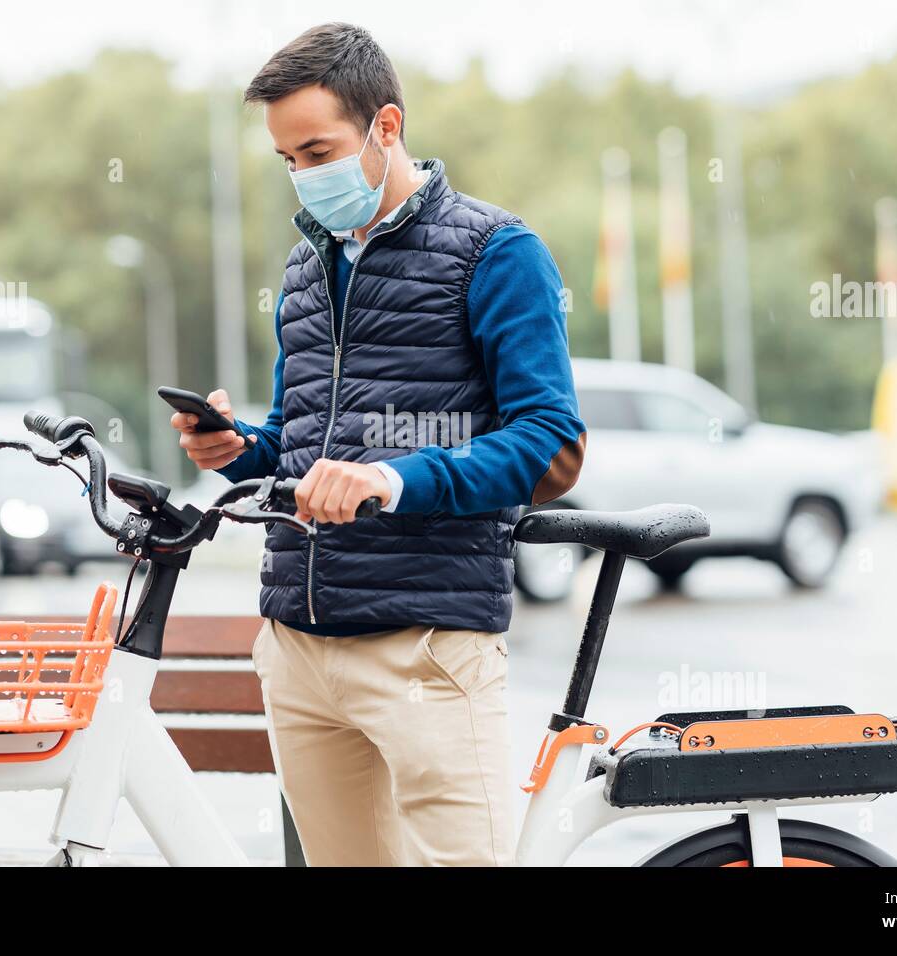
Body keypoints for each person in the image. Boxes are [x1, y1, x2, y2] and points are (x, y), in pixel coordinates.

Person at [170, 22, 586, 866]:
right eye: (286, 159)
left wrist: (393, 481)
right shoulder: (303, 268)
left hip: (425, 648)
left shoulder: (497, 252)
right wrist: (236, 447)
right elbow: (297, 443)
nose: (302, 175)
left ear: (385, 128)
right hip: (299, 643)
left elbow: (551, 447)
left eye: (316, 150)